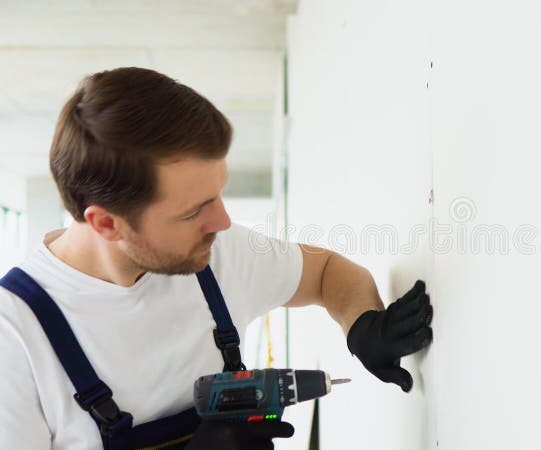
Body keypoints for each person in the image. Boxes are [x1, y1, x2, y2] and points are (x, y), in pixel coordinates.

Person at [0, 67, 434, 450]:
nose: (223, 221)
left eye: (217, 194)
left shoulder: (215, 255)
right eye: (192, 212)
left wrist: (362, 322)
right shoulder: (16, 336)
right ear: (107, 224)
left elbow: (325, 273)